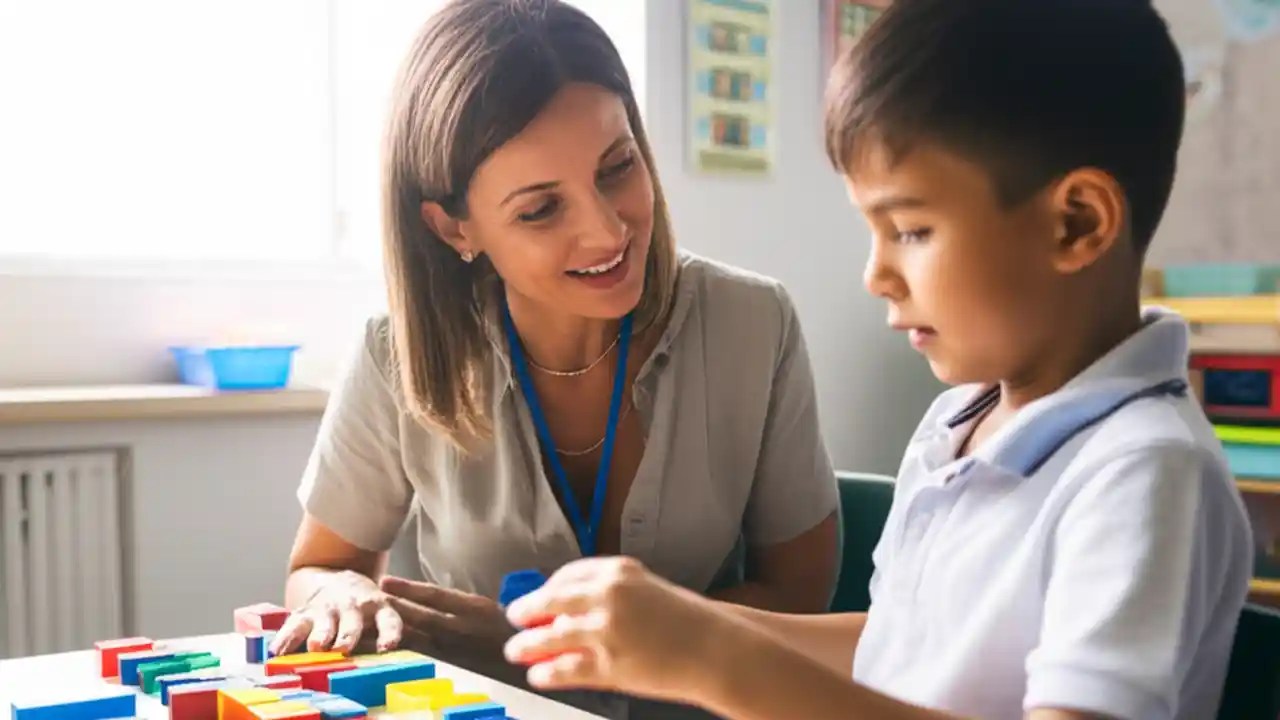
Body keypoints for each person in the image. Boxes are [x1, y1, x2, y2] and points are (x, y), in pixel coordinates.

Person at [500, 1, 1256, 719]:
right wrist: (681, 628)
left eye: (912, 230)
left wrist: (715, 657)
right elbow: (899, 649)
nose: (876, 274)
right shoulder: (961, 420)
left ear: (1076, 223)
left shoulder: (1145, 472)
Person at [272, 0, 840, 716]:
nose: (606, 232)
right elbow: (320, 566)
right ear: (453, 227)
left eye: (617, 167)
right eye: (541, 210)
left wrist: (533, 645)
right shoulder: (396, 353)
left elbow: (801, 595)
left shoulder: (754, 323)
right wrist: (340, 593)